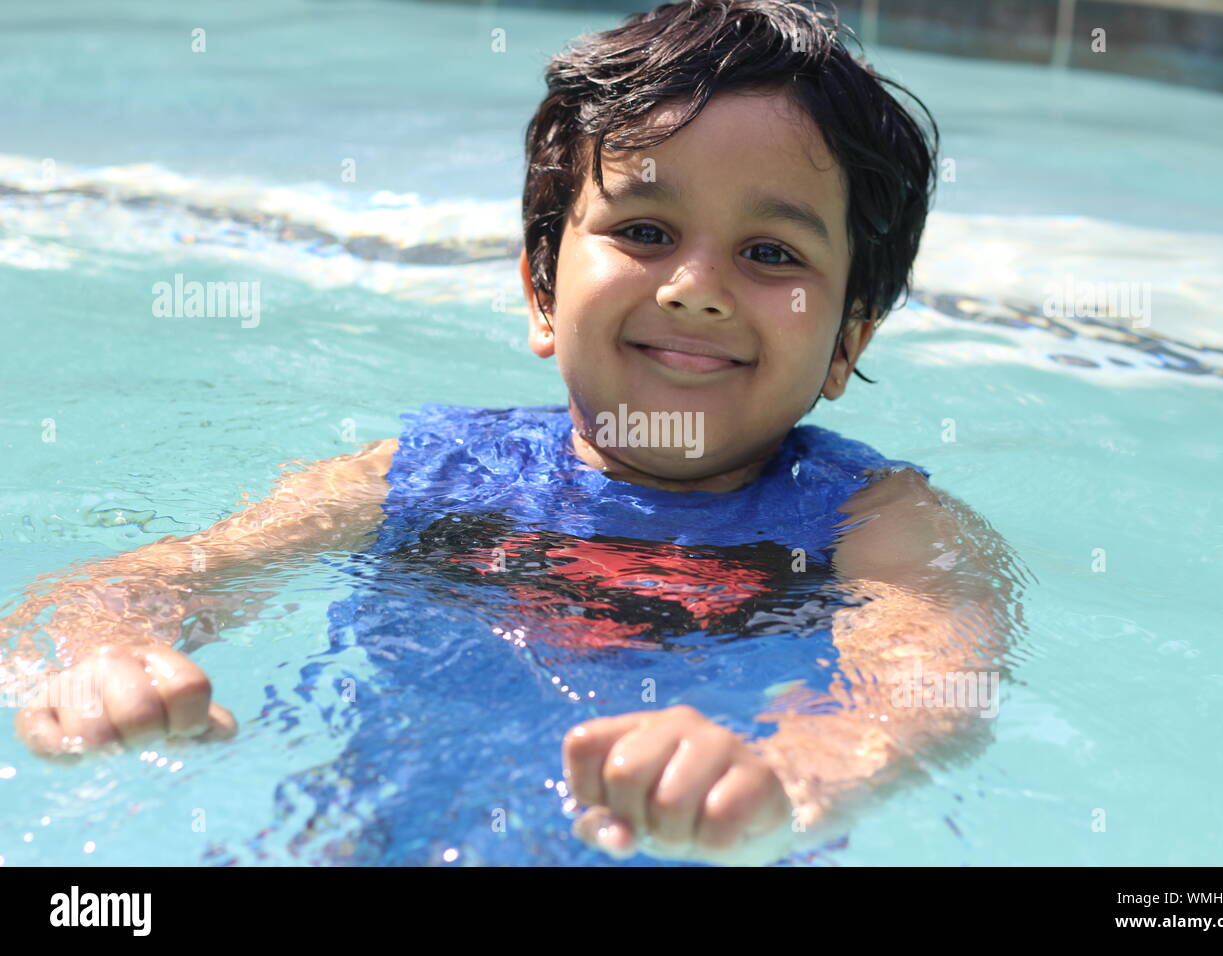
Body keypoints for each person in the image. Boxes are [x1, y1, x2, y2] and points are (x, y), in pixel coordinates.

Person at [1, 0, 1030, 866]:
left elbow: (929, 685)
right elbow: (168, 574)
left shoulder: (871, 520)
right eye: (643, 230)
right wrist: (105, 654)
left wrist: (790, 769)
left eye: (770, 251)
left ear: (849, 336)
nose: (695, 289)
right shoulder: (427, 471)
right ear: (541, 286)